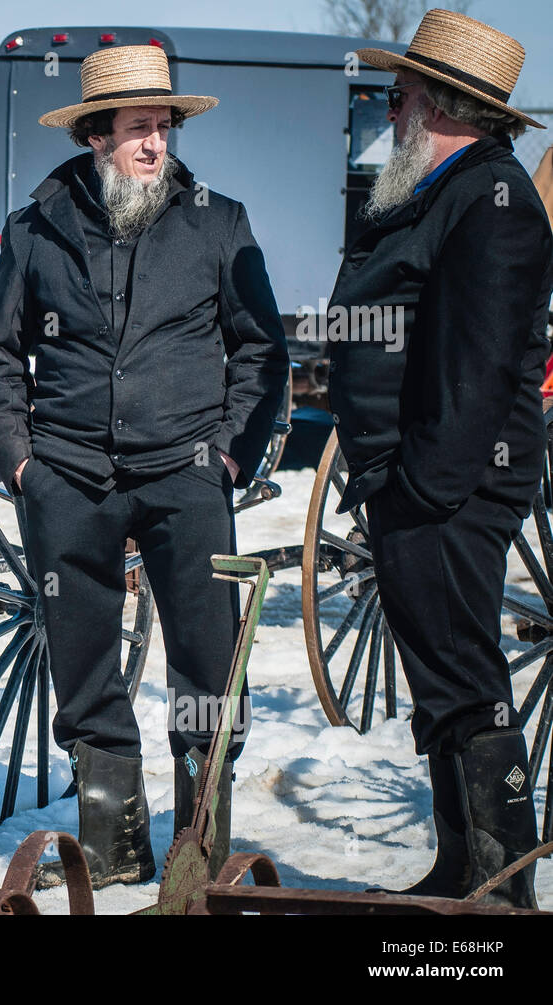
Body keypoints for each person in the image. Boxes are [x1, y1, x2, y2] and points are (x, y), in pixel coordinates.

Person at [0, 43, 289, 889]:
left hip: (187, 473)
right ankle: (112, 848)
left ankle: (199, 853)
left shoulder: (218, 222)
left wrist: (228, 455)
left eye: (164, 127)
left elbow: (262, 350)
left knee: (207, 667)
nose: (156, 143)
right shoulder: (37, 228)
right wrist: (23, 465)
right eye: (138, 128)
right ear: (96, 137)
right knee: (82, 669)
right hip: (69, 477)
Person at [329, 10, 552, 909]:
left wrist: (424, 485)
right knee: (440, 680)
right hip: (409, 480)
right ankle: (461, 865)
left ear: (446, 105)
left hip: (451, 487)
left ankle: (502, 881)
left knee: (465, 675)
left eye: (401, 96)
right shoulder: (437, 188)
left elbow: (480, 365)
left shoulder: (496, 202)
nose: (391, 111)